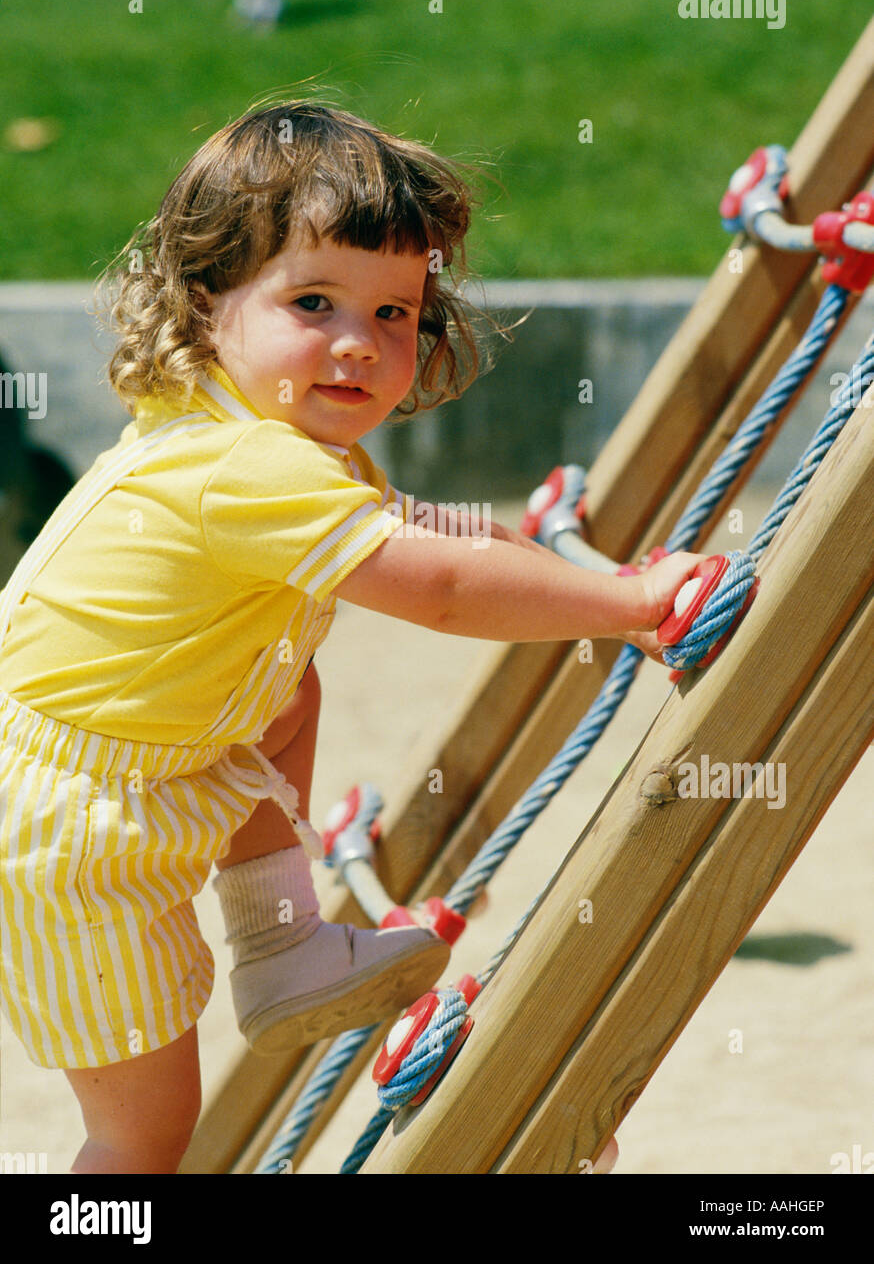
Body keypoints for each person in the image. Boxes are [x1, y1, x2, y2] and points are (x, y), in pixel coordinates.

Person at [0, 100, 707, 1173]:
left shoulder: (264, 434)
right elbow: (442, 591)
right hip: (70, 825)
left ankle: (279, 944)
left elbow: (431, 533)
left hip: (154, 755)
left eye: (393, 314)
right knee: (140, 1134)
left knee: (287, 694)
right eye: (314, 300)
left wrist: (536, 548)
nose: (356, 344)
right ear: (207, 299)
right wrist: (632, 606)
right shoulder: (245, 469)